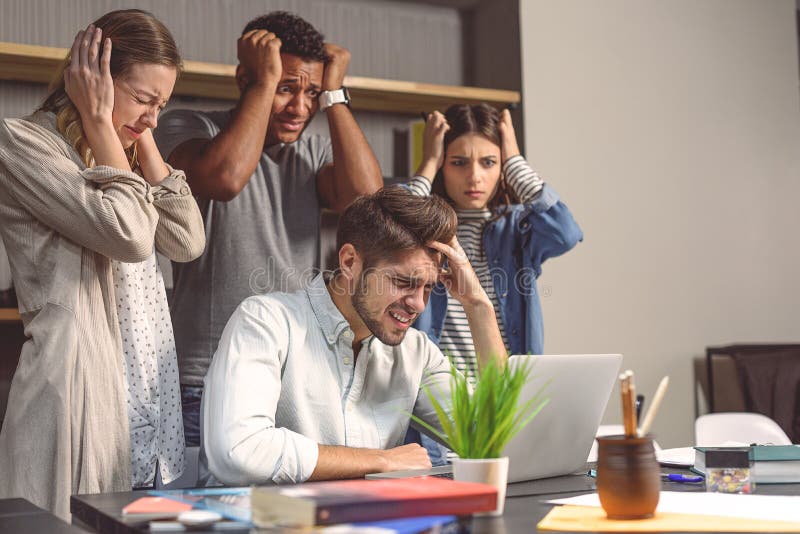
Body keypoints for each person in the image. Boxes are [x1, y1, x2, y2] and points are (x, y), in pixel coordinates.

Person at [0, 10, 204, 519]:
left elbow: (186, 240)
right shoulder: (23, 144)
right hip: (80, 395)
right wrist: (100, 120)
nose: (154, 117)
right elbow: (133, 235)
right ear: (92, 79)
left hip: (147, 401)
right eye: (145, 98)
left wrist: (138, 126)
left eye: (164, 103)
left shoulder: (119, 152)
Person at [153, 11, 383, 446]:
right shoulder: (188, 127)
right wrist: (264, 80)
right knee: (208, 513)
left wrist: (335, 93)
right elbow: (225, 178)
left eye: (311, 92)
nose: (300, 108)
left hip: (294, 375)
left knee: (288, 512)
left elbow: (365, 201)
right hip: (205, 377)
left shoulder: (312, 153)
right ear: (246, 79)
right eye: (285, 88)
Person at [201, 187, 506, 484]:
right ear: (349, 262)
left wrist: (477, 304)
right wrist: (380, 460)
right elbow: (238, 451)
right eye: (403, 282)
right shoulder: (266, 322)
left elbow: (493, 439)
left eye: (428, 287)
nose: (418, 304)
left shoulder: (417, 351)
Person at [409, 104, 582, 376]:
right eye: (458, 162)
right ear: (443, 163)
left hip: (505, 394)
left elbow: (565, 233)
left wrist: (514, 161)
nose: (474, 177)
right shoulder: (423, 226)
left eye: (489, 162)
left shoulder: (517, 228)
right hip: (439, 394)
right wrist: (428, 162)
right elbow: (391, 224)